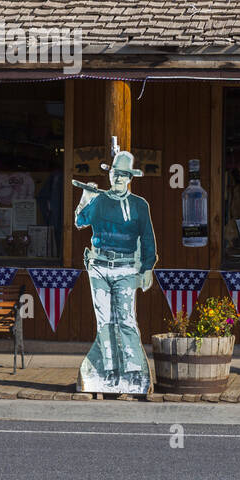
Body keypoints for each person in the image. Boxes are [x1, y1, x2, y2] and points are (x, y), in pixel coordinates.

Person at [75, 148, 157, 393]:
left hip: (126, 269)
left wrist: (147, 268)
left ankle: (132, 373)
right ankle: (110, 371)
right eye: (115, 173)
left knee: (127, 321)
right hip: (99, 267)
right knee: (105, 322)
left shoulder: (139, 206)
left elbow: (148, 238)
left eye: (123, 174)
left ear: (130, 178)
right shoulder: (99, 201)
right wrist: (86, 196)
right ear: (110, 175)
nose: (118, 178)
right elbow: (80, 221)